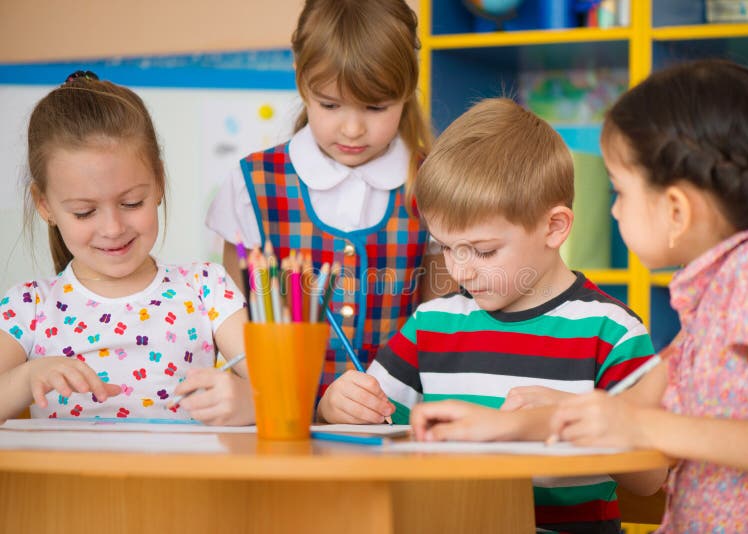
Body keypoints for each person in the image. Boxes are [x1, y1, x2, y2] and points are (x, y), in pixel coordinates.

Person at [413, 60, 748, 532]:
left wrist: (645, 428)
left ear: (676, 208)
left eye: (619, 191)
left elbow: (642, 424)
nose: (614, 210)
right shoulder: (716, 292)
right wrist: (502, 427)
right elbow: (626, 411)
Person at [318, 98, 664, 533]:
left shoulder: (610, 332)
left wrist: (579, 419)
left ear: (554, 227)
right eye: (446, 247)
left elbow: (650, 480)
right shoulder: (431, 325)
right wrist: (338, 406)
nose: (460, 270)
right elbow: (375, 428)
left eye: (483, 251)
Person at [205, 0, 445, 400]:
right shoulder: (253, 185)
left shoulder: (434, 183)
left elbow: (442, 321)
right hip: (285, 416)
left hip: (398, 420)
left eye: (375, 107)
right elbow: (234, 318)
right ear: (303, 83)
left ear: (407, 90)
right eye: (330, 105)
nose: (351, 128)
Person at [0, 71, 253, 426]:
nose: (113, 228)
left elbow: (286, 394)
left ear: (159, 182)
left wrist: (251, 403)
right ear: (45, 205)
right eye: (84, 212)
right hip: (69, 483)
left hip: (183, 480)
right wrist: (26, 379)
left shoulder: (206, 287)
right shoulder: (29, 307)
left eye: (132, 202)